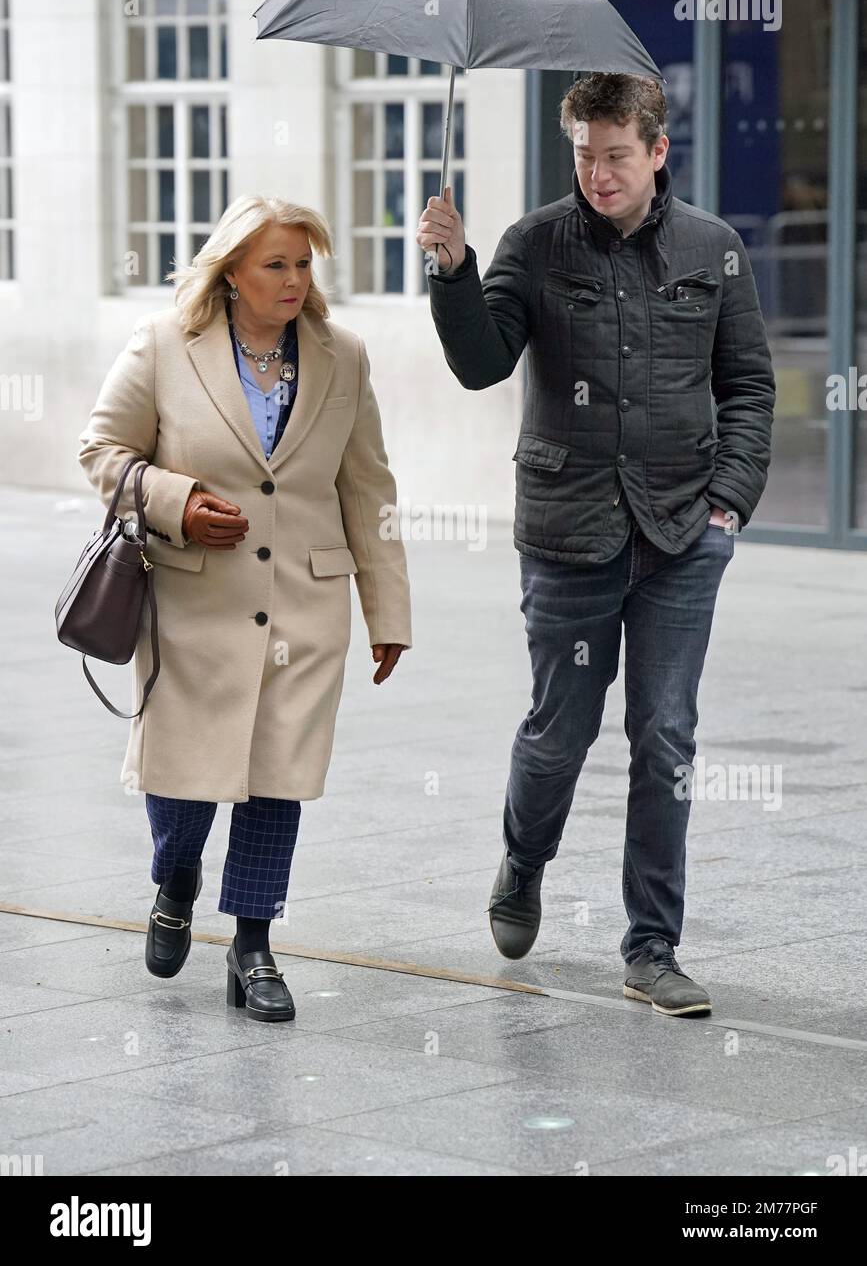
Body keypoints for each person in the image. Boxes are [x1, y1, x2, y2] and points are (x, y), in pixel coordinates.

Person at [417, 73, 774, 1016]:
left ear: (657, 151)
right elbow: (479, 361)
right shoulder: (533, 243)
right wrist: (450, 273)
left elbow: (747, 385)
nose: (598, 173)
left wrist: (727, 503)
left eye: (615, 156)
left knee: (665, 737)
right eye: (583, 155)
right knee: (558, 732)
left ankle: (650, 945)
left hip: (680, 536)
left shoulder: (714, 249)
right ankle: (523, 859)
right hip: (568, 529)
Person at [78, 194, 411, 1023]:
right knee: (183, 776)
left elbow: (368, 486)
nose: (295, 279)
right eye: (277, 264)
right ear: (231, 272)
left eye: (304, 263)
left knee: (275, 782)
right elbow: (102, 451)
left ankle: (254, 947)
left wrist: (388, 610)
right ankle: (175, 879)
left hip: (306, 604)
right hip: (192, 600)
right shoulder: (163, 345)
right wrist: (175, 500)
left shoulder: (343, 356)